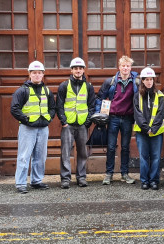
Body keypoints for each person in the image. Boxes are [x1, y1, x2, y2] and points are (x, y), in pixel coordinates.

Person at [10, 61, 56, 193]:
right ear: (29, 74)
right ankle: (20, 183)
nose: (37, 75)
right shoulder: (22, 91)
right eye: (34, 73)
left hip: (43, 128)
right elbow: (14, 109)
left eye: (39, 73)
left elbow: (52, 108)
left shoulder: (47, 91)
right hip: (27, 128)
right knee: (24, 156)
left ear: (43, 74)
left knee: (40, 156)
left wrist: (48, 119)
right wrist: (27, 120)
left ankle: (36, 181)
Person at [95, 56, 138, 185]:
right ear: (119, 67)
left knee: (125, 147)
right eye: (123, 66)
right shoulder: (110, 82)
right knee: (111, 147)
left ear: (131, 68)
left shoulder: (136, 82)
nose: (125, 68)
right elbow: (99, 97)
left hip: (127, 118)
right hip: (113, 118)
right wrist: (100, 115)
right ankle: (109, 174)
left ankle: (124, 174)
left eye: (128, 66)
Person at [55, 57, 95, 189]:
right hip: (68, 125)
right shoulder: (64, 86)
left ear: (83, 70)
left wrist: (87, 122)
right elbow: (59, 105)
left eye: (80, 68)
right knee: (65, 152)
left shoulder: (88, 86)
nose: (78, 71)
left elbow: (92, 106)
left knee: (83, 152)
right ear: (71, 70)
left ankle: (81, 177)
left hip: (82, 125)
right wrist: (64, 121)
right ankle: (65, 179)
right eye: (75, 68)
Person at [133, 67, 164, 190]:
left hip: (156, 132)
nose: (149, 82)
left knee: (156, 157)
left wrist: (154, 128)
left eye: (151, 79)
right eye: (146, 79)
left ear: (153, 80)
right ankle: (144, 181)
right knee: (143, 157)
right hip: (142, 132)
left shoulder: (160, 95)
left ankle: (154, 180)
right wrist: (146, 128)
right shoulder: (137, 96)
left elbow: (160, 113)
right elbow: (137, 114)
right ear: (142, 81)